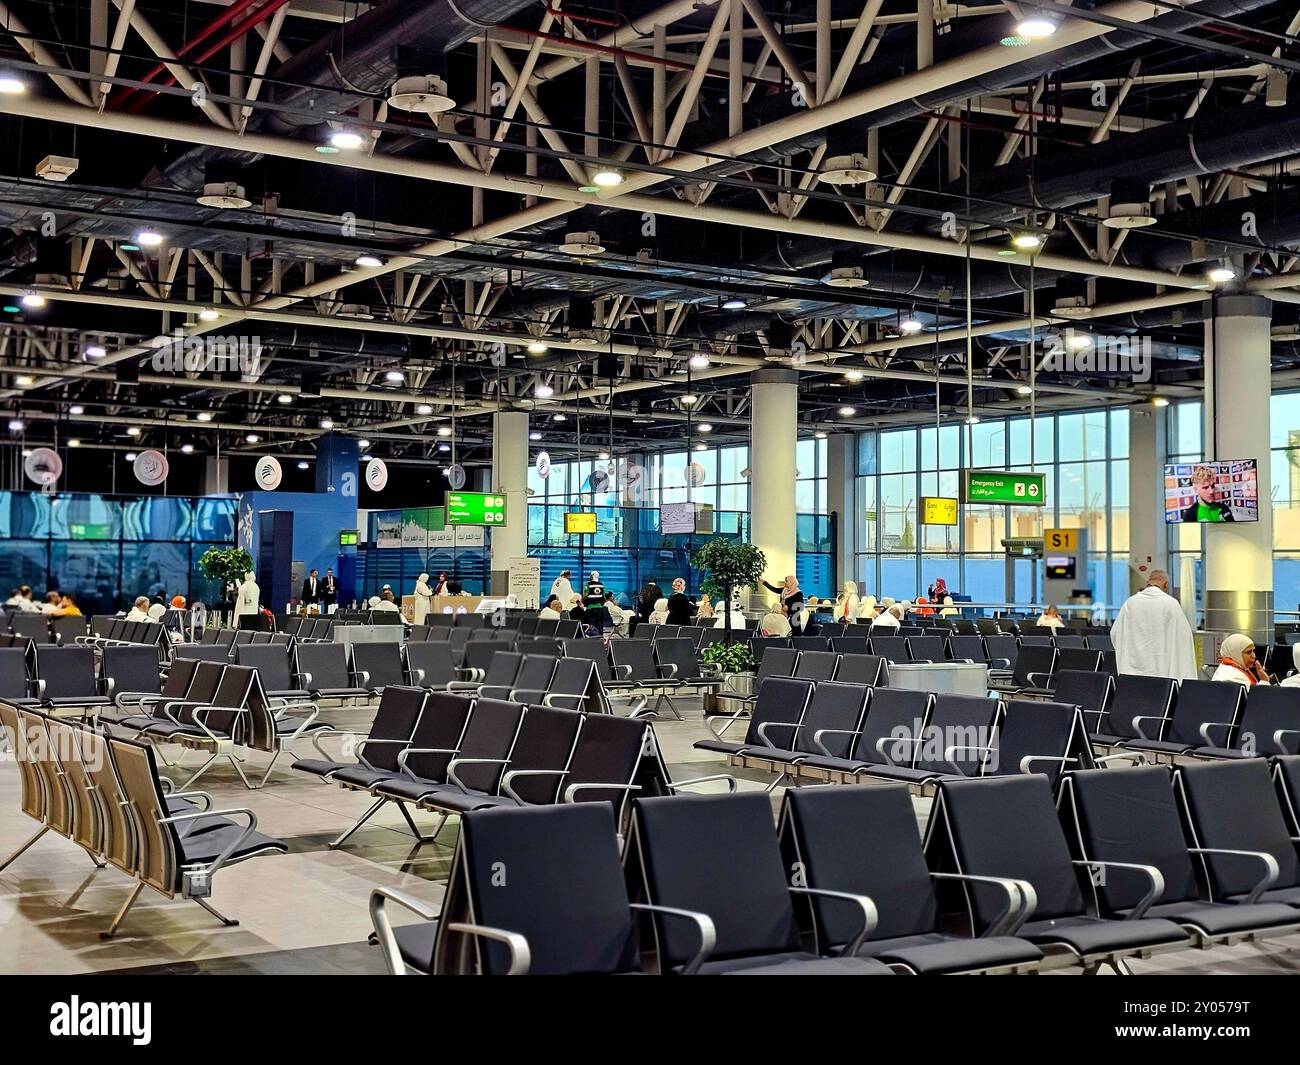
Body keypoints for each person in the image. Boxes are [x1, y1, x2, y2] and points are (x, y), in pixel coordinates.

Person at [1111, 570, 1198, 680]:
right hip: (1162, 676)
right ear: (1166, 585)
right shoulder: (1171, 604)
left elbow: (1115, 634)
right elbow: (1184, 638)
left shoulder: (1130, 603)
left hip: (1132, 676)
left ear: (1147, 582)